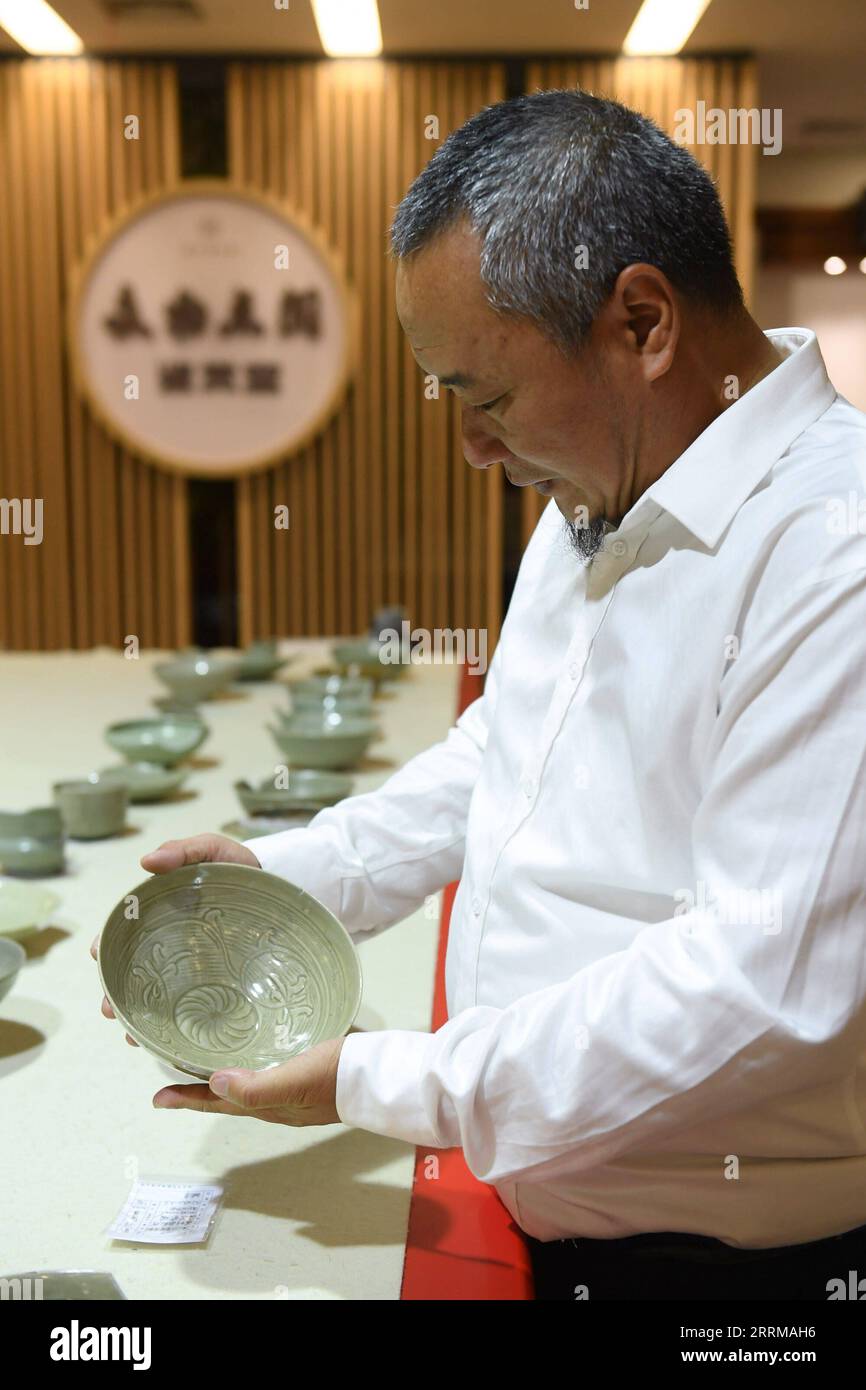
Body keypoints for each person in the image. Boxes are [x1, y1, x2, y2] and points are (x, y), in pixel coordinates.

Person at [95, 90, 866, 1300]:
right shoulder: (595, 492)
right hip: (550, 1202)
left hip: (723, 1272)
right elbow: (506, 742)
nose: (471, 446)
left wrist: (385, 1079)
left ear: (642, 322)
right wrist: (305, 879)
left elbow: (756, 984)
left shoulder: (834, 547)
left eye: (487, 398)